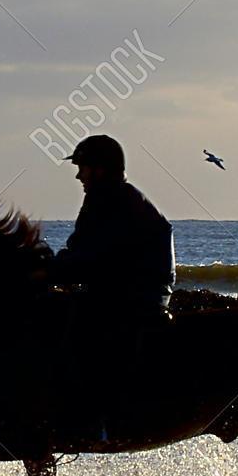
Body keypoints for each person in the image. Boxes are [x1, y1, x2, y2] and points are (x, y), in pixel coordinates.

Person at [49, 135, 175, 436]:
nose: (79, 175)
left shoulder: (115, 199)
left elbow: (95, 256)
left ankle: (98, 418)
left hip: (139, 293)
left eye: (83, 168)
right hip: (125, 285)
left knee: (82, 327)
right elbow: (81, 250)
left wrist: (51, 273)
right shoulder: (104, 196)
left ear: (101, 169)